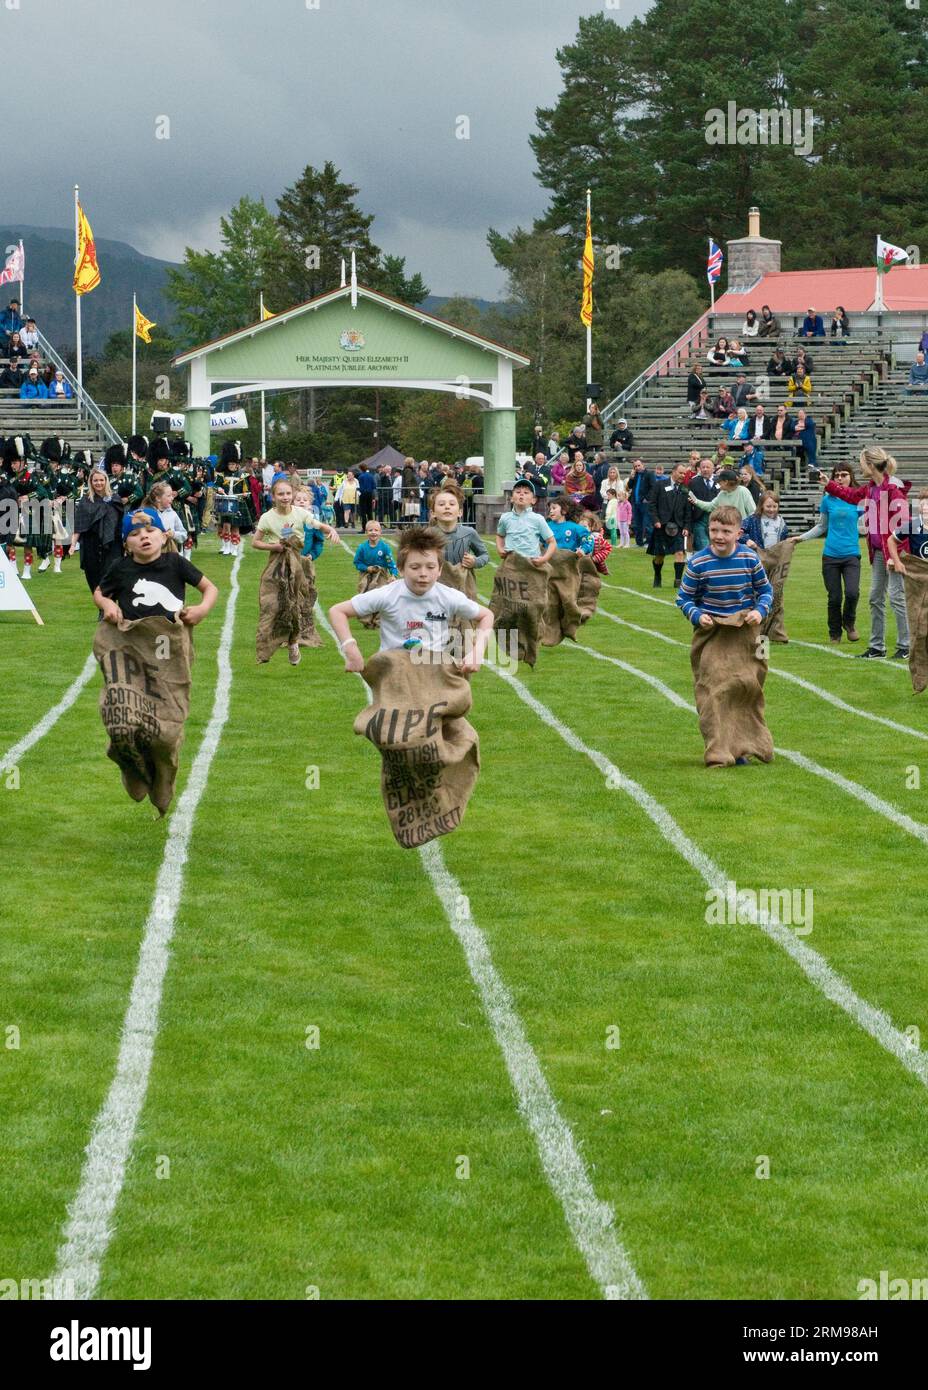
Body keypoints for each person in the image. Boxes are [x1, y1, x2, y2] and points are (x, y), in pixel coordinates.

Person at [676, 505, 774, 766]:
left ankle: (745, 745)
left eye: (725, 531)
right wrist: (697, 616)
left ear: (738, 533)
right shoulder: (698, 562)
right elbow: (683, 598)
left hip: (748, 632)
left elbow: (766, 591)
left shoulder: (749, 559)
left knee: (748, 687)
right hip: (712, 633)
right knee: (714, 692)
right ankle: (719, 749)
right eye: (714, 530)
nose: (719, 536)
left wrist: (759, 611)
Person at [329, 524, 494, 674]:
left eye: (430, 567)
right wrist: (350, 648)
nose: (423, 573)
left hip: (433, 677)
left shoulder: (448, 596)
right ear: (401, 569)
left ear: (439, 570)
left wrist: (477, 652)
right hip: (393, 676)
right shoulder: (387, 594)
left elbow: (486, 615)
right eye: (415, 567)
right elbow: (338, 611)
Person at [825, 445, 910, 660]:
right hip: (879, 553)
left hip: (894, 554)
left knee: (897, 598)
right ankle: (877, 647)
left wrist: (895, 557)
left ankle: (906, 646)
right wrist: (829, 484)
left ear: (871, 465)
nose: (860, 466)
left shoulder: (893, 490)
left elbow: (905, 526)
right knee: (875, 598)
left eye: (862, 462)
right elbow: (851, 495)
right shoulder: (871, 488)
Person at [253, 474, 338, 665]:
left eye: (288, 493)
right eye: (280, 494)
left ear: (292, 494)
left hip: (297, 563)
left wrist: (330, 530)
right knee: (272, 605)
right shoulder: (267, 517)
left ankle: (293, 643)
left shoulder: (300, 513)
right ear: (273, 497)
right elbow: (255, 542)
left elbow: (317, 524)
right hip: (276, 564)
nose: (285, 497)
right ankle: (265, 648)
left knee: (295, 606)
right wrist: (273, 547)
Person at [795, 465, 862, 642]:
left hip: (851, 554)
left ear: (851, 476)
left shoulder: (858, 499)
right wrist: (801, 538)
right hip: (831, 555)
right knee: (834, 597)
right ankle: (835, 633)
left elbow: (867, 523)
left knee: (852, 593)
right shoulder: (828, 500)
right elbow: (822, 526)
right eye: (837, 475)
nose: (840, 478)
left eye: (844, 475)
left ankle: (849, 623)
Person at [70, 467, 123, 597]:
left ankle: (109, 603)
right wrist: (72, 545)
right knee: (93, 575)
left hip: (112, 543)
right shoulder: (85, 501)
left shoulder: (115, 499)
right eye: (95, 480)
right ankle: (101, 606)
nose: (98, 483)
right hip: (91, 543)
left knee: (110, 573)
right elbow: (79, 525)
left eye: (101, 480)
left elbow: (121, 523)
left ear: (106, 481)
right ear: (91, 482)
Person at [429, 480, 489, 574]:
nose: (447, 507)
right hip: (435, 586)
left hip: (462, 586)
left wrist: (475, 562)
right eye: (441, 504)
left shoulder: (469, 533)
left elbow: (484, 555)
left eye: (452, 504)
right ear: (433, 513)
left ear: (460, 512)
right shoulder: (426, 535)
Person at [647, 461, 690, 588]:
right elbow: (652, 504)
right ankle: (657, 575)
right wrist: (656, 520)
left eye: (684, 473)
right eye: (680, 472)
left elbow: (688, 510)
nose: (683, 475)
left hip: (678, 526)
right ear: (673, 472)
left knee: (680, 553)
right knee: (660, 555)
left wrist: (687, 526)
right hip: (661, 526)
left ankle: (677, 581)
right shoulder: (660, 485)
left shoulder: (685, 488)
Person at [497, 479, 556, 564]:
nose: (521, 494)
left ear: (533, 500)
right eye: (518, 492)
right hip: (510, 563)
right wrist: (500, 549)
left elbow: (552, 542)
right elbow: (500, 535)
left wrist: (544, 559)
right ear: (511, 498)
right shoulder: (505, 518)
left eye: (526, 493)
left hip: (531, 564)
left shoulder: (538, 519)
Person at [688, 467, 756, 522]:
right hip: (727, 530)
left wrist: (744, 528)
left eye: (719, 481)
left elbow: (752, 512)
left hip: (742, 531)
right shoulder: (722, 494)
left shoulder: (743, 491)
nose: (718, 483)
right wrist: (696, 501)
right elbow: (710, 506)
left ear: (726, 482)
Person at [688, 458, 719, 551]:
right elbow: (689, 502)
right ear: (699, 469)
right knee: (703, 547)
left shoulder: (721, 481)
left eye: (708, 467)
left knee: (716, 546)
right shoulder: (693, 482)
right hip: (699, 519)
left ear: (713, 469)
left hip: (717, 519)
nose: (705, 469)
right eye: (703, 467)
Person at [627, 459, 654, 546]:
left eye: (639, 465)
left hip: (645, 503)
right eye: (635, 466)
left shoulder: (649, 474)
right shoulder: (635, 475)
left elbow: (653, 487)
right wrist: (631, 477)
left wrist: (647, 498)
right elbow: (629, 486)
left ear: (643, 465)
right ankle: (639, 542)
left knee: (647, 524)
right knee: (637, 524)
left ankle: (649, 542)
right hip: (635, 503)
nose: (637, 468)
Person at [356, 464, 377, 528]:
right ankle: (371, 527)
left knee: (363, 511)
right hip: (370, 494)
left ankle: (364, 527)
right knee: (369, 511)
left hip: (363, 494)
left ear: (361, 469)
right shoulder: (371, 476)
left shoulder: (360, 476)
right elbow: (374, 486)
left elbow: (359, 486)